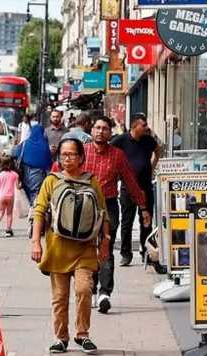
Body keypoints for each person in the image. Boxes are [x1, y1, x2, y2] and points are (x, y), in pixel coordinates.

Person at [52, 117, 150, 313]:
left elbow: (130, 182)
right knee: (88, 248)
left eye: (104, 128)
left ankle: (105, 292)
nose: (100, 131)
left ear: (110, 132)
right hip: (83, 207)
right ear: (92, 129)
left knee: (106, 247)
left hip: (108, 206)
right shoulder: (83, 152)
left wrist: (143, 207)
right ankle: (92, 288)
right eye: (97, 127)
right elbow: (61, 170)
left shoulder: (118, 155)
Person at [31, 138, 110, 354]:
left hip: (85, 248)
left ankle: (82, 334)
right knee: (60, 298)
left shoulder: (92, 181)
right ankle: (61, 337)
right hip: (57, 249)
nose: (68, 158)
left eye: (72, 154)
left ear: (81, 157)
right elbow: (39, 211)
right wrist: (35, 241)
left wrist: (105, 240)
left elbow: (103, 213)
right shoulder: (52, 180)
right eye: (64, 154)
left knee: (84, 289)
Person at [112, 113, 161, 266]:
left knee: (146, 220)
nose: (146, 128)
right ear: (134, 127)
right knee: (127, 220)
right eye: (143, 125)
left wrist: (153, 165)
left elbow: (158, 149)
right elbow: (110, 152)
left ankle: (146, 251)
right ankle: (126, 254)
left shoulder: (148, 140)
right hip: (128, 187)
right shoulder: (122, 140)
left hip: (145, 185)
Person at [12, 124, 52, 205]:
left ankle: (30, 211)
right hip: (38, 174)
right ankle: (33, 212)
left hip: (24, 173)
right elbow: (48, 162)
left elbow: (14, 154)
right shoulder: (45, 146)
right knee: (35, 195)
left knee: (26, 193)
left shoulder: (25, 143)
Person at [0, 155, 19, 238]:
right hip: (10, 196)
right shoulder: (15, 174)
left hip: (2, 196)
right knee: (9, 213)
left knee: (1, 211)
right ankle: (8, 230)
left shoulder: (0, 175)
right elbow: (17, 186)